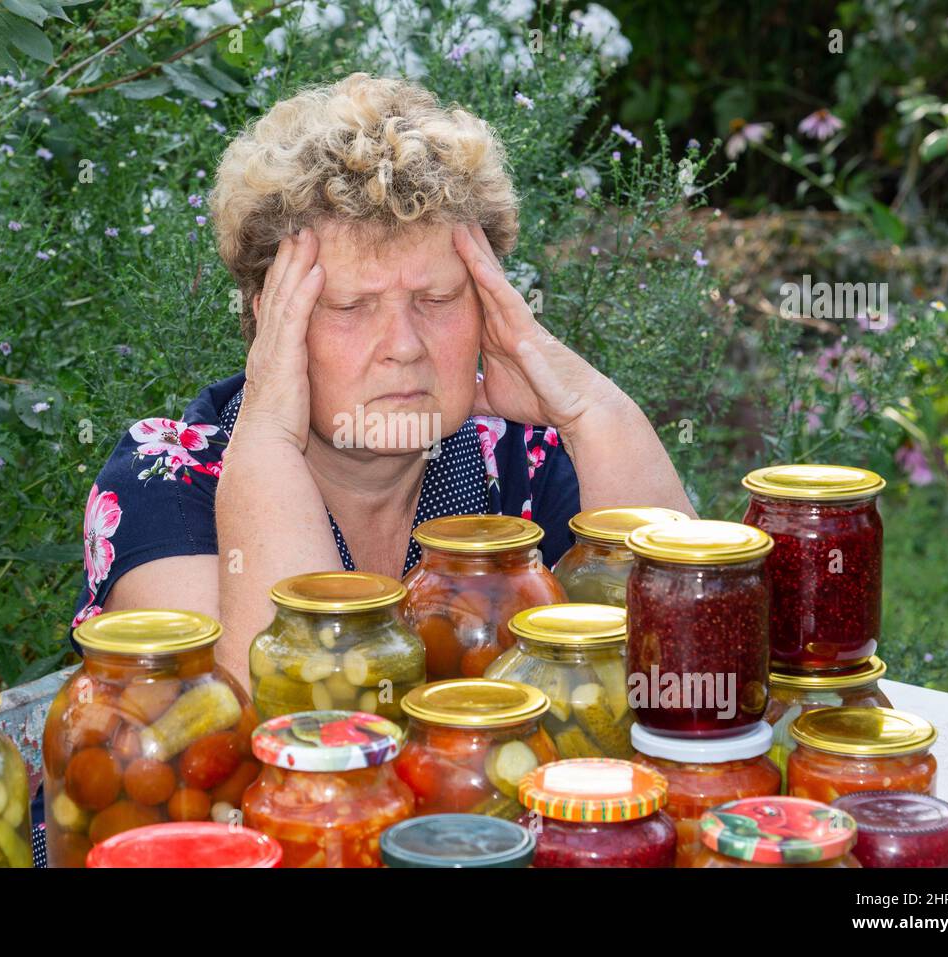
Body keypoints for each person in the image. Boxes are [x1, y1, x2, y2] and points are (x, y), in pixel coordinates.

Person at [72, 72, 694, 686]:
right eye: (349, 307)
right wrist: (266, 439)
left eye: (439, 299)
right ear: (270, 317)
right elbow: (282, 728)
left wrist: (590, 410)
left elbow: (689, 663)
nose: (403, 346)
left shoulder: (520, 462)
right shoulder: (167, 480)